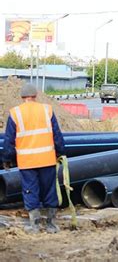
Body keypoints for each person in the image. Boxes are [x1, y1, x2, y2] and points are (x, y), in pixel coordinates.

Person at [2, 83, 65, 234]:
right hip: (47, 159)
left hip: (27, 161)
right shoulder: (46, 110)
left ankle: (34, 225)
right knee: (49, 189)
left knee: (30, 190)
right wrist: (60, 151)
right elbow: (57, 135)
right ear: (35, 96)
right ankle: (51, 224)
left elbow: (9, 139)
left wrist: (7, 158)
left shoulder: (15, 113)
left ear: (22, 97)